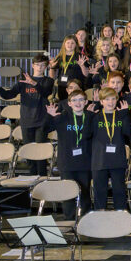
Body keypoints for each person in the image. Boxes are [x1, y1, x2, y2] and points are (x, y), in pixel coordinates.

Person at [0, 55, 54, 175]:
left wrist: (34, 83)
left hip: (42, 121)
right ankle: (33, 178)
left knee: (40, 153)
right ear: (33, 65)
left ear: (46, 67)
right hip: (27, 121)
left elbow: (46, 92)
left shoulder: (48, 81)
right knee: (29, 153)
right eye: (38, 65)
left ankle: (42, 178)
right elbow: (8, 95)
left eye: (43, 65)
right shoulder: (23, 82)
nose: (40, 67)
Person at [46, 90, 93, 218]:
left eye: (81, 100)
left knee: (85, 192)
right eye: (74, 100)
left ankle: (86, 219)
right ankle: (69, 219)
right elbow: (46, 129)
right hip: (67, 162)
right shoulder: (61, 117)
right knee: (68, 193)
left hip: (85, 162)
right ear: (69, 103)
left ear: (86, 102)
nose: (78, 103)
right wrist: (50, 116)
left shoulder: (90, 117)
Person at [89, 88, 131, 210]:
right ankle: (100, 216)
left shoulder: (120, 115)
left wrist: (125, 115)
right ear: (101, 101)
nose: (110, 102)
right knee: (99, 191)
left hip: (117, 159)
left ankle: (121, 216)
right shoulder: (95, 117)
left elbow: (128, 132)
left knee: (119, 191)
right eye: (107, 99)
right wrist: (88, 116)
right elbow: (87, 135)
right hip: (99, 160)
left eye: (113, 99)